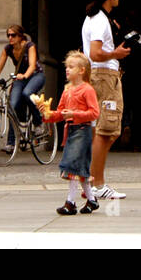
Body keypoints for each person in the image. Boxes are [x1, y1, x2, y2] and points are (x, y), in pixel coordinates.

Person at [82, 0, 130, 199]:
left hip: (98, 76)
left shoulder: (94, 18)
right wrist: (116, 54)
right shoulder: (100, 20)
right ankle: (97, 184)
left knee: (100, 130)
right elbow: (95, 53)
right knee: (107, 130)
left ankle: (91, 184)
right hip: (105, 76)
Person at [38, 49, 100, 215]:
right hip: (71, 131)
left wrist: (74, 114)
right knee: (80, 168)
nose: (67, 69)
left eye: (71, 67)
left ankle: (70, 202)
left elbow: (94, 113)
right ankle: (92, 200)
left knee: (71, 166)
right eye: (67, 66)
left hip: (82, 130)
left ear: (81, 70)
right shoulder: (67, 90)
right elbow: (60, 113)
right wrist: (48, 115)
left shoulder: (87, 90)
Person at [0, 24, 46, 137]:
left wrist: (25, 76)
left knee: (27, 93)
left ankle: (38, 123)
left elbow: (32, 66)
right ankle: (11, 143)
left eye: (13, 35)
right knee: (12, 106)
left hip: (36, 75)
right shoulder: (8, 49)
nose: (10, 38)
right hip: (20, 78)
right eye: (8, 35)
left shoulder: (29, 46)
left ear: (20, 36)